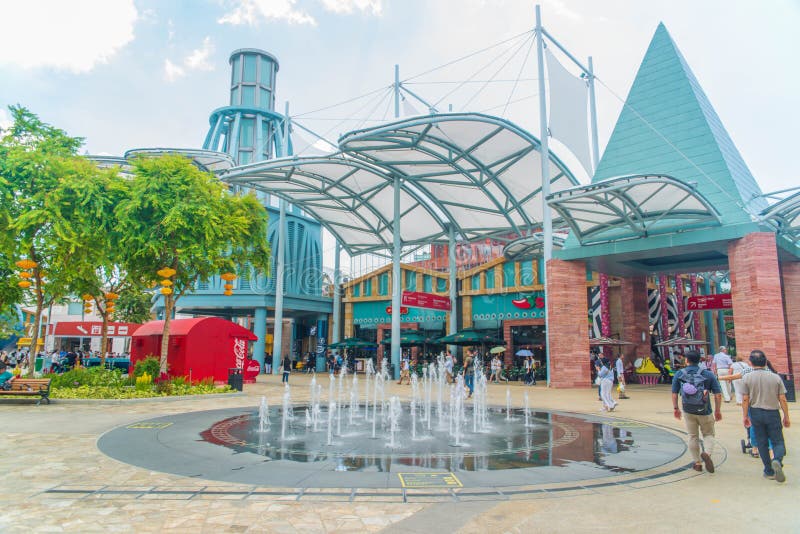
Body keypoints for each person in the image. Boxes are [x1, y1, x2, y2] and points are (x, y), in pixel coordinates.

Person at [741, 350, 790, 483]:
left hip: (756, 412)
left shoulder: (747, 378)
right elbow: (783, 399)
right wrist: (786, 416)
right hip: (773, 412)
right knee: (778, 441)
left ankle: (768, 470)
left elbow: (745, 399)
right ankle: (777, 460)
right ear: (765, 361)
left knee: (762, 442)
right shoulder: (775, 377)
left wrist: (745, 416)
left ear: (750, 363)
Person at [671, 350, 722, 473]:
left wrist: (676, 408)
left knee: (692, 436)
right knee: (708, 434)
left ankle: (697, 463)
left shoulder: (679, 374)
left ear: (686, 360)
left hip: (688, 409)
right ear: (700, 361)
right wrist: (717, 410)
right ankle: (707, 454)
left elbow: (674, 394)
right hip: (705, 410)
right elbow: (717, 394)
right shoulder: (708, 374)